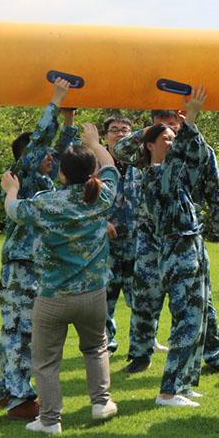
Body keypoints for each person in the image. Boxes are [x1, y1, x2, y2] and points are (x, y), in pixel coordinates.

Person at [1, 121, 119, 435]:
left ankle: (50, 420)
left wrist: (11, 190)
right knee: (95, 348)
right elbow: (110, 167)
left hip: (52, 296)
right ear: (91, 172)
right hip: (93, 294)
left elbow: (14, 210)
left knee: (46, 361)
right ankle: (101, 403)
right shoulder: (101, 196)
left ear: (62, 175)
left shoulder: (46, 202)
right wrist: (94, 143)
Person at [113, 108, 219, 375]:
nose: (171, 127)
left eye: (173, 122)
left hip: (185, 237)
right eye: (162, 124)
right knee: (144, 298)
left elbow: (215, 190)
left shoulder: (197, 150)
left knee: (200, 300)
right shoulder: (148, 152)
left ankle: (215, 356)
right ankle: (140, 355)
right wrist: (145, 133)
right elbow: (120, 150)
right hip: (150, 238)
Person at [0, 78, 76, 421]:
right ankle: (18, 399)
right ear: (28, 158)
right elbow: (41, 143)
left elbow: (61, 158)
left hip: (32, 265)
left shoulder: (41, 180)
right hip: (21, 266)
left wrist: (69, 122)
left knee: (19, 329)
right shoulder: (23, 175)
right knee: (20, 330)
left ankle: (7, 390)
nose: (50, 158)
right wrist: (54, 101)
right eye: (44, 155)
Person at [138, 89, 216, 406]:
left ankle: (183, 383)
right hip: (177, 251)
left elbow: (197, 155)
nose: (171, 143)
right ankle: (168, 391)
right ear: (150, 145)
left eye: (174, 138)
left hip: (190, 246)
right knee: (186, 320)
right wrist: (191, 117)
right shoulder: (156, 175)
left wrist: (191, 127)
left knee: (197, 319)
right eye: (165, 139)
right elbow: (182, 156)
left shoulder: (174, 174)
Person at [101, 115, 141, 359]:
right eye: (114, 130)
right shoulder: (96, 163)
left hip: (137, 241)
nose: (119, 134)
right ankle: (107, 341)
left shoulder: (141, 161)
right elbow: (83, 197)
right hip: (105, 243)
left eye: (125, 130)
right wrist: (100, 221)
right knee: (105, 295)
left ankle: (143, 341)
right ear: (105, 136)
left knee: (140, 295)